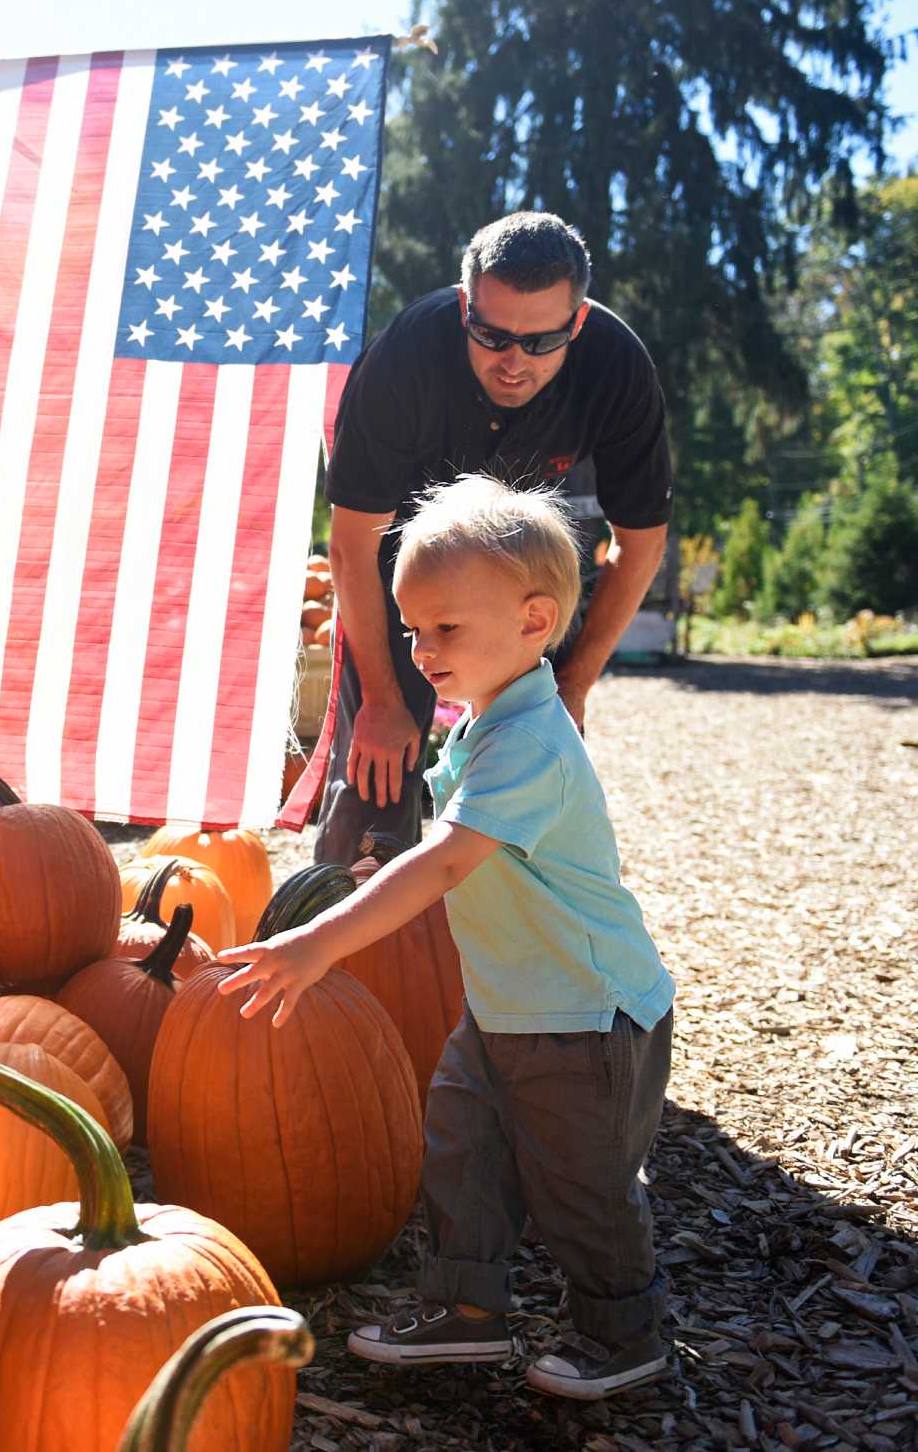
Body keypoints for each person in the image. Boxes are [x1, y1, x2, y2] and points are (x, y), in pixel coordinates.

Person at [222, 475, 676, 1402]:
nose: (421, 650)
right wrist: (367, 877)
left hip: (588, 1018)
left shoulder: (533, 745)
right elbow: (446, 853)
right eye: (412, 628)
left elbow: (439, 866)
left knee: (580, 1186)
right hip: (512, 1004)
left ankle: (623, 1328)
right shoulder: (486, 720)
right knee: (463, 1144)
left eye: (445, 630)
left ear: (535, 620)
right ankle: (468, 1309)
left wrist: (320, 943)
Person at [312, 211, 672, 865]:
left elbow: (641, 544)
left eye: (540, 342)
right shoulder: (405, 358)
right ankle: (332, 939)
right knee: (373, 786)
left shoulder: (618, 368)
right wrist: (386, 702)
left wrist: (574, 685)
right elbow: (350, 546)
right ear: (463, 304)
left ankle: (505, 945)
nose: (512, 362)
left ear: (578, 322)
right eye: (491, 333)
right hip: (402, 571)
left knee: (525, 786)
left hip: (518, 566)